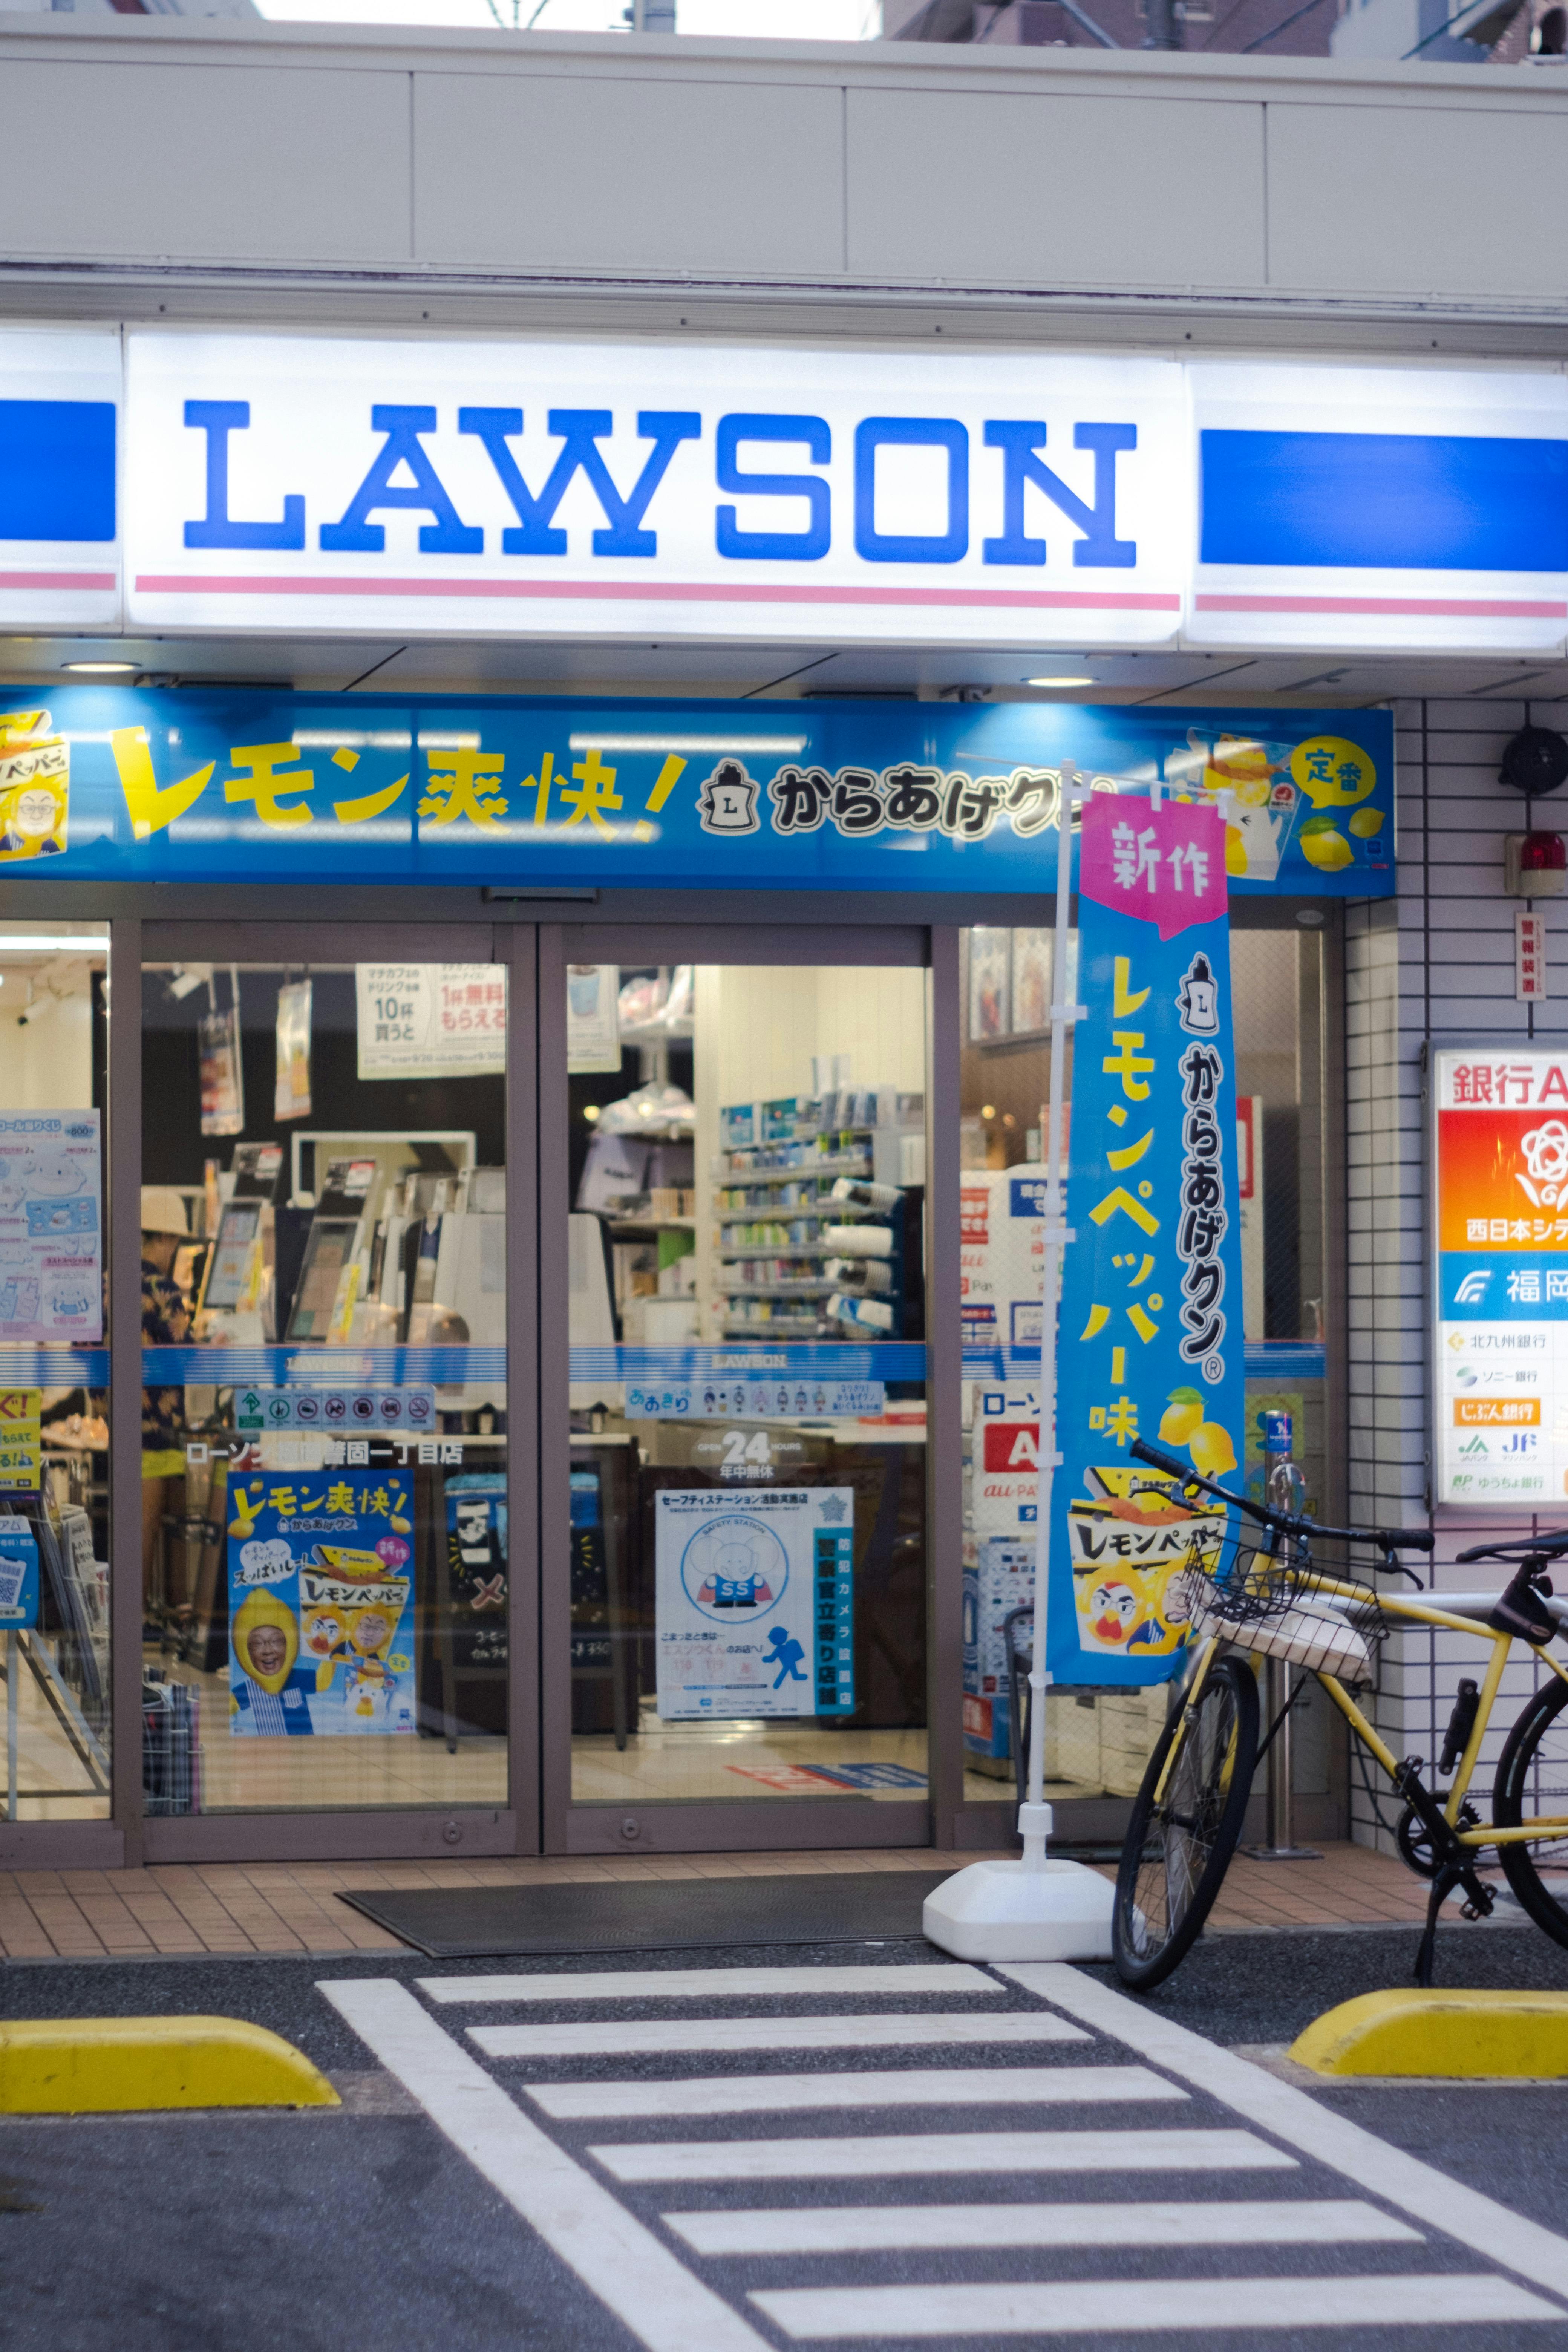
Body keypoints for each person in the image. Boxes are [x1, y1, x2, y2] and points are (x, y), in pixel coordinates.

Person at [141, 1186, 191, 1637]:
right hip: (156, 1426)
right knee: (149, 1527)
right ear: (164, 1239)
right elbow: (184, 1354)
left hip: (116, 1423)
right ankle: (140, 1619)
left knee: (133, 1527)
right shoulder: (163, 1288)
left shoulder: (105, 1282)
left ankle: (141, 1613)